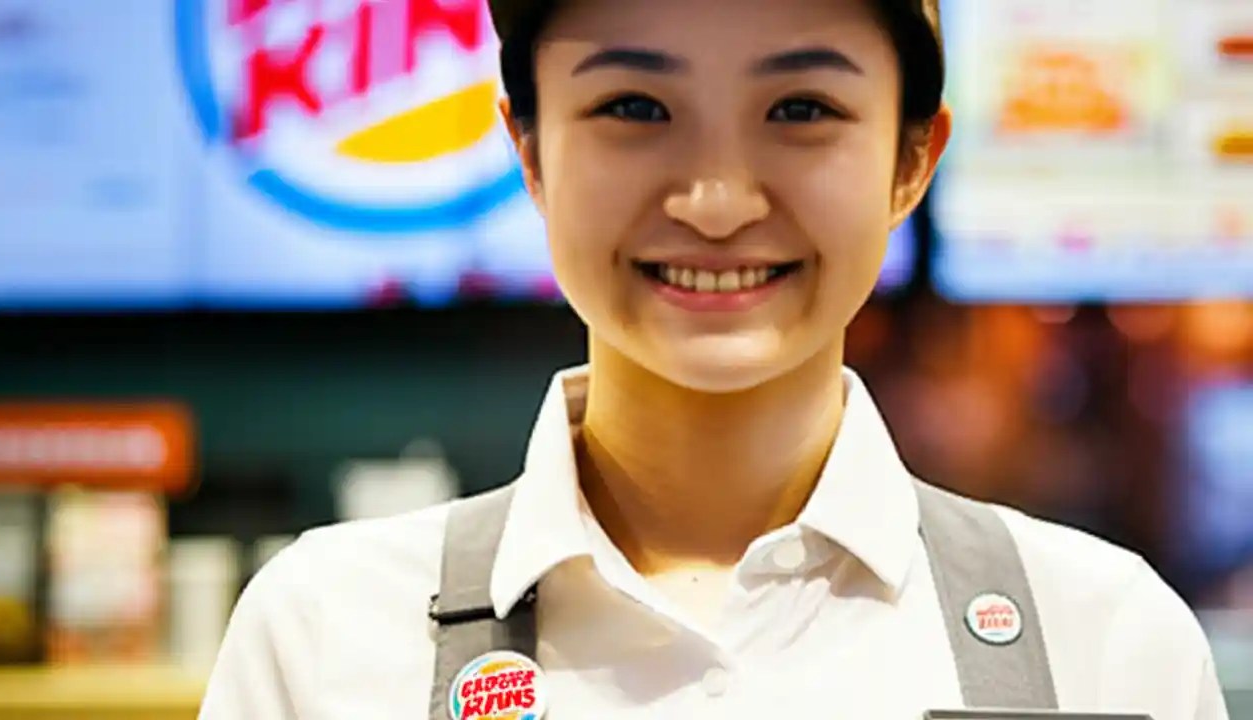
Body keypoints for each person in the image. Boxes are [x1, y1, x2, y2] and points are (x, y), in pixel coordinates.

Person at [199, 0, 1230, 717]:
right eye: (633, 109)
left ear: (911, 157)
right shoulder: (323, 632)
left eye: (801, 110)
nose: (717, 201)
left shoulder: (1104, 639)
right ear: (528, 148)